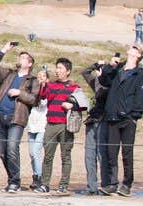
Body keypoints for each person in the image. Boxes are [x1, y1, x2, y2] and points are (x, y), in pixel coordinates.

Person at [0, 43, 40, 192]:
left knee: (11, 148)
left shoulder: (32, 80)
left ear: (29, 64)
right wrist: (4, 49)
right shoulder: (9, 75)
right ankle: (12, 180)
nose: (20, 59)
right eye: (20, 56)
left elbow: (35, 100)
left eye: (24, 58)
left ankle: (15, 182)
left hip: (16, 118)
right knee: (2, 151)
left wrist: (20, 93)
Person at [102, 44, 143, 197]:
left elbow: (141, 97)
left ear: (138, 55)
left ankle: (127, 183)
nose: (130, 50)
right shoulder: (118, 69)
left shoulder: (139, 74)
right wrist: (111, 66)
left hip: (127, 118)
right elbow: (104, 79)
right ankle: (112, 183)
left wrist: (134, 116)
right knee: (111, 151)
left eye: (134, 49)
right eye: (130, 48)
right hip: (113, 116)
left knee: (127, 152)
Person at [79, 54, 119, 194]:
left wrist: (108, 70)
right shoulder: (96, 82)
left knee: (102, 155)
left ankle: (106, 185)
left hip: (104, 121)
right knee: (89, 155)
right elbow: (84, 72)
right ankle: (91, 187)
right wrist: (96, 64)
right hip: (92, 120)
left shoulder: (113, 84)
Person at [40, 59, 80, 194]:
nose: (57, 70)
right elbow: (42, 96)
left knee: (65, 156)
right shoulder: (51, 85)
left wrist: (72, 105)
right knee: (47, 156)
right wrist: (43, 84)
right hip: (51, 123)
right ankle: (45, 184)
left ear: (68, 71)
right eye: (56, 68)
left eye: (60, 68)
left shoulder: (74, 87)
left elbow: (83, 105)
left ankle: (63, 185)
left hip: (65, 125)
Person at [24, 67, 51, 191]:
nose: (40, 79)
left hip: (42, 125)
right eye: (38, 77)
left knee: (36, 152)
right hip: (32, 124)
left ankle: (39, 177)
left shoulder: (48, 92)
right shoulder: (33, 92)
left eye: (43, 76)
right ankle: (35, 176)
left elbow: (44, 99)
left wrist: (44, 86)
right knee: (31, 153)